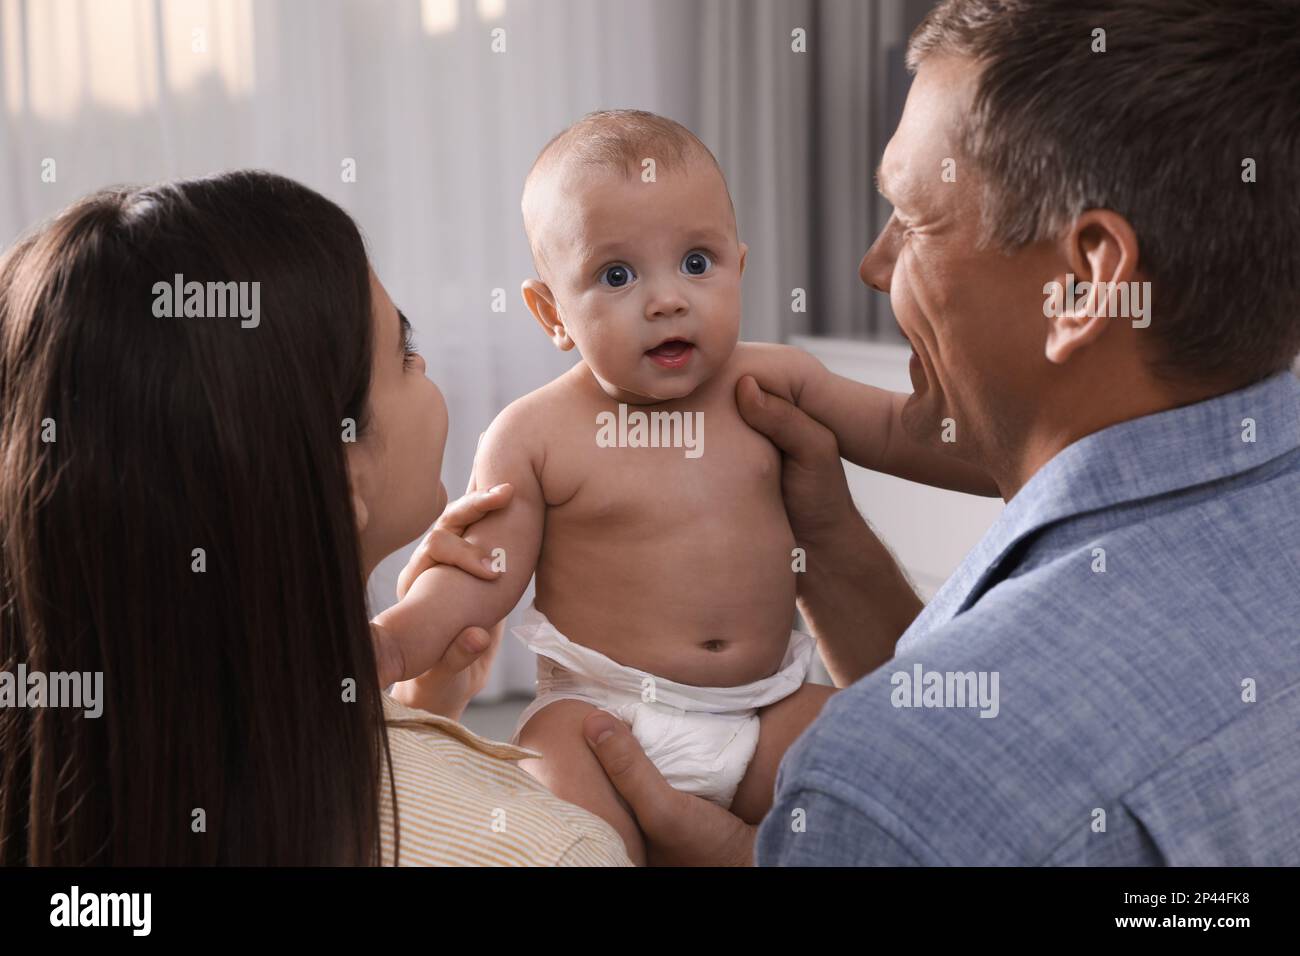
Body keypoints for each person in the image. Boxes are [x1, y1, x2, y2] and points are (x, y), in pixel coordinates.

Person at [572, 0, 1300, 865]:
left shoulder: (882, 795)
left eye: (913, 222)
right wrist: (831, 542)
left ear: (1083, 285)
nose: (873, 268)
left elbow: (937, 785)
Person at [375, 109, 994, 864]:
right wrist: (390, 645)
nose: (667, 299)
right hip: (604, 715)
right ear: (551, 313)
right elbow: (479, 579)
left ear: (739, 266)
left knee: (886, 762)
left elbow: (901, 432)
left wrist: (1019, 454)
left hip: (767, 707)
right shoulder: (534, 434)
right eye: (617, 275)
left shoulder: (777, 381)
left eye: (697, 264)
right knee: (561, 806)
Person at [0, 170, 629, 866]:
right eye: (405, 352)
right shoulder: (548, 849)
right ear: (342, 473)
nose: (425, 368)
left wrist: (413, 710)